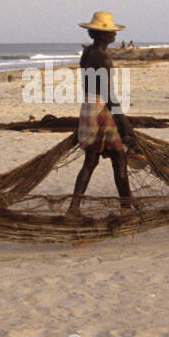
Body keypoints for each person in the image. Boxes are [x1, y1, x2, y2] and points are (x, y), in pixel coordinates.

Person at [68, 11, 132, 215]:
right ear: (102, 35)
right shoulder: (103, 59)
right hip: (99, 110)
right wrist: (124, 122)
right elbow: (109, 95)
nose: (115, 35)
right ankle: (126, 208)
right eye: (111, 32)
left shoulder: (87, 53)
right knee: (119, 159)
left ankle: (74, 207)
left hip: (88, 107)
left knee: (92, 160)